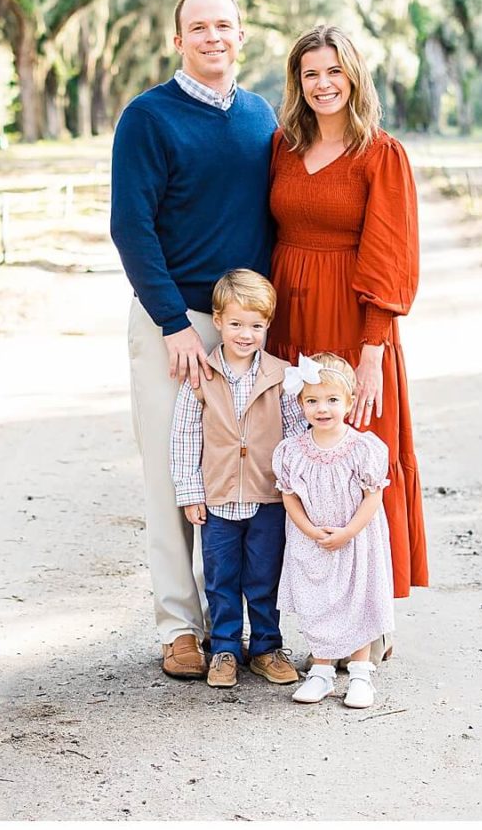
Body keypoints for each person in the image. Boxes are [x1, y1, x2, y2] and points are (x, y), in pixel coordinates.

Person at [110, 0, 278, 679]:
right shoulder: (148, 118)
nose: (213, 37)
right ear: (178, 41)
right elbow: (132, 226)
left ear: (242, 37)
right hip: (174, 327)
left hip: (247, 331)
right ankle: (180, 628)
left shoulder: (262, 115)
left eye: (224, 26)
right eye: (198, 27)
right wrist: (172, 322)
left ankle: (242, 628)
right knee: (173, 476)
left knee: (248, 479)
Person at [266, 24, 425, 656]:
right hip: (287, 318)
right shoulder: (281, 146)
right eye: (311, 73)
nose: (323, 84)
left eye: (335, 71)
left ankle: (371, 620)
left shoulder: (380, 153)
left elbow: (390, 255)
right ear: (297, 82)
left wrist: (372, 351)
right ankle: (314, 619)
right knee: (303, 467)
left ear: (354, 76)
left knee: (361, 461)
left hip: (351, 324)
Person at [169, 270, 305, 689]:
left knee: (264, 578)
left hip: (268, 500)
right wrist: (192, 493)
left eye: (256, 326)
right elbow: (185, 437)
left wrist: (297, 492)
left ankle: (266, 648)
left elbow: (298, 438)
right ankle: (225, 649)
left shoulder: (281, 377)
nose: (246, 334)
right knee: (221, 579)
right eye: (236, 324)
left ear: (267, 326)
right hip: (219, 500)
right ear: (216, 321)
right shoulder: (202, 377)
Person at [272, 353, 393, 708]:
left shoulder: (364, 448)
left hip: (356, 539)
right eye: (312, 400)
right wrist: (309, 530)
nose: (321, 408)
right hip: (312, 541)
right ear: (300, 404)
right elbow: (289, 497)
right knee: (319, 602)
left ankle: (360, 672)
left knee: (357, 601)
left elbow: (373, 496)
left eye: (332, 400)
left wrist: (348, 532)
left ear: (349, 402)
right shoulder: (291, 451)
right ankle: (321, 672)